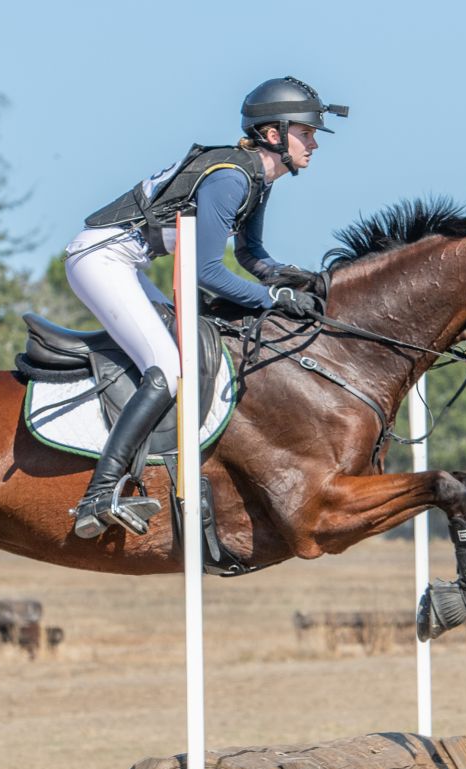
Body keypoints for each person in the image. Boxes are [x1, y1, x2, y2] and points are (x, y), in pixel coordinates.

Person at [63, 76, 348, 539]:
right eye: (307, 132)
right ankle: (99, 493)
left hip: (127, 261)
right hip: (100, 257)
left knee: (190, 353)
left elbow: (252, 256)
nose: (314, 143)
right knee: (167, 366)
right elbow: (205, 272)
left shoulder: (257, 178)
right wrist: (272, 299)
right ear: (274, 135)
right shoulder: (232, 177)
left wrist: (300, 280)